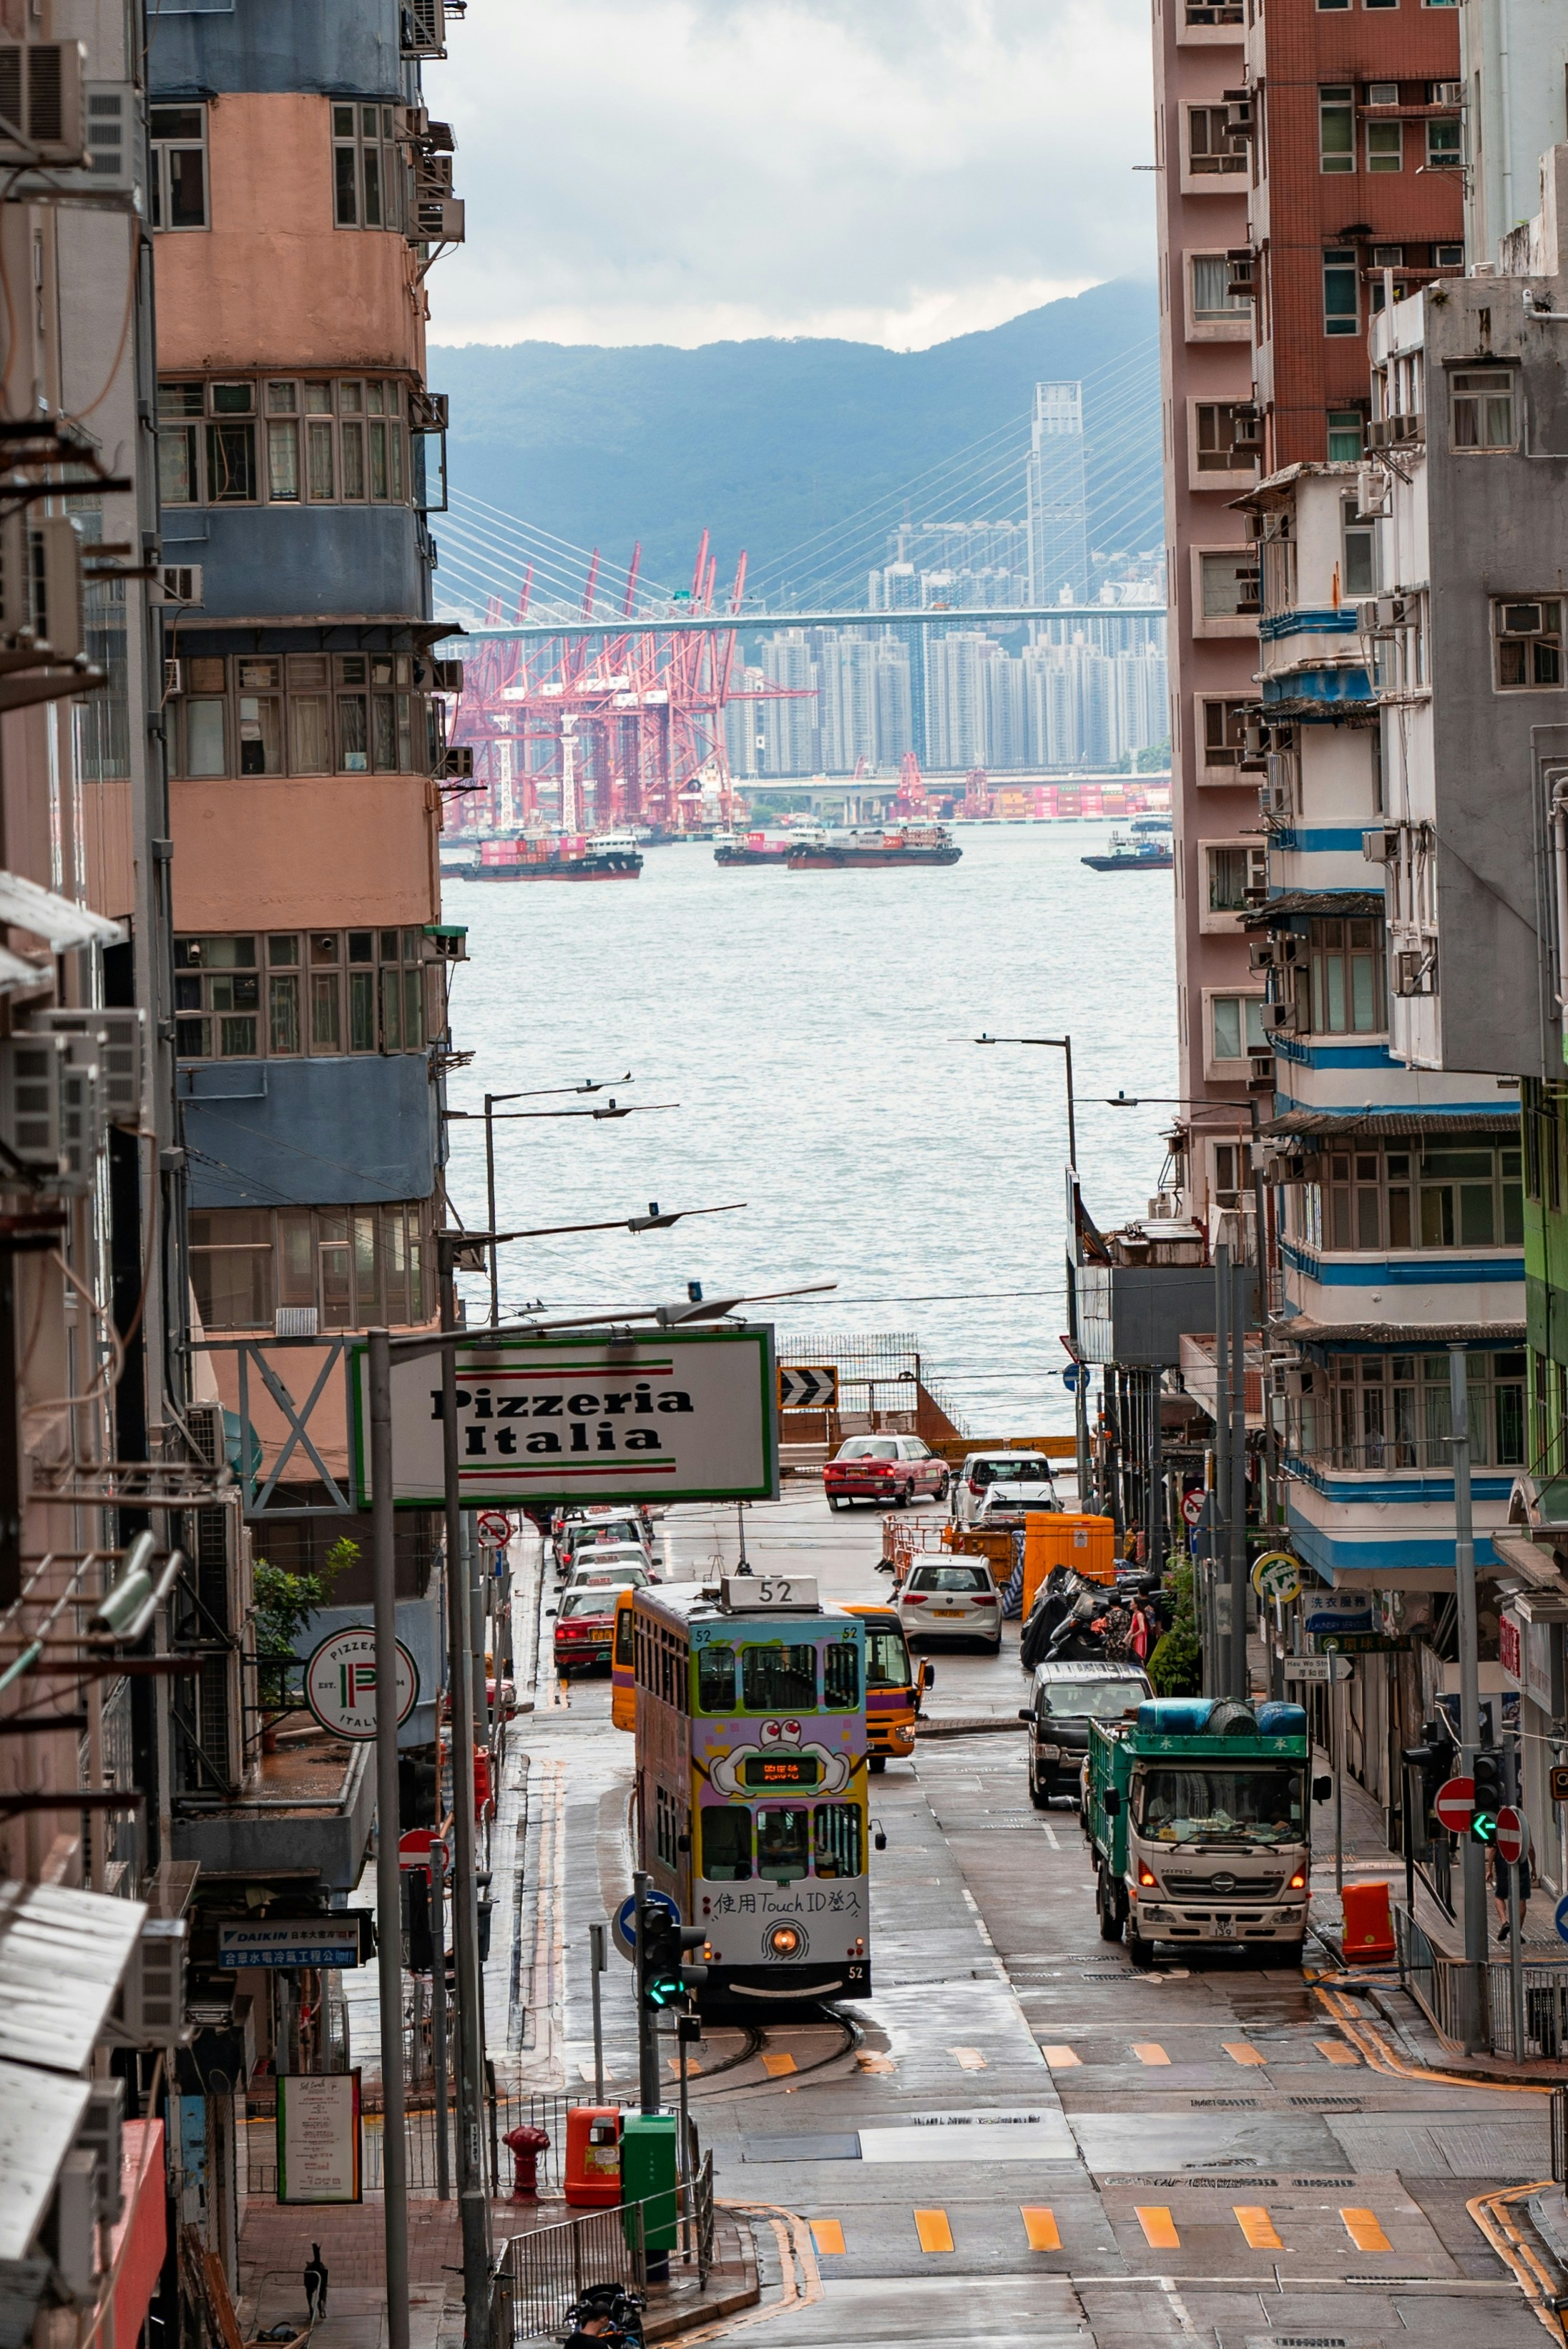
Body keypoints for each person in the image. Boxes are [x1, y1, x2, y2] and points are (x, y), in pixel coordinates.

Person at [1493, 1838, 1536, 1941]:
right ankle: (1516, 1932)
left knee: (1499, 1895)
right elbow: (1530, 1848)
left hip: (1503, 1861)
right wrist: (1534, 1868)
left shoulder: (1499, 1822)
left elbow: (1494, 1848)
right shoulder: (1523, 1822)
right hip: (1521, 1861)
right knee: (1521, 1897)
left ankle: (1504, 1922)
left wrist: (1489, 1869)